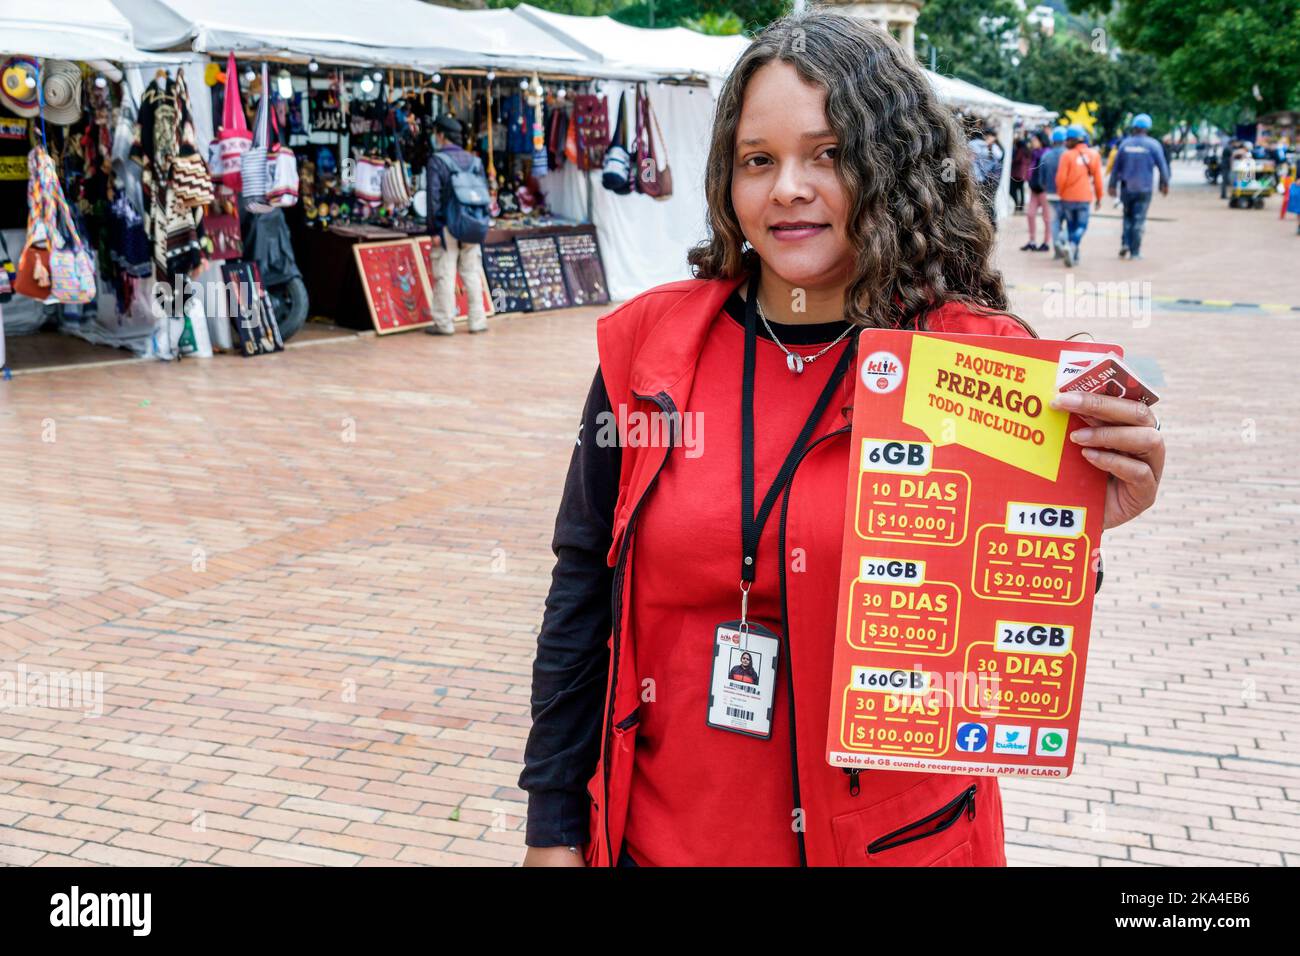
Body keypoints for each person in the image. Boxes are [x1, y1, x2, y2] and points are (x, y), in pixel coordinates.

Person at [519, 10, 1166, 868]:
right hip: (658, 840)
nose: (788, 187)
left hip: (891, 845)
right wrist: (554, 826)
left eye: (828, 154)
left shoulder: (975, 364)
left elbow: (1001, 636)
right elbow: (580, 592)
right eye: (758, 160)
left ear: (892, 166)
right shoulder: (651, 350)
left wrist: (1081, 519)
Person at [424, 114, 489, 334]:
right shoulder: (475, 161)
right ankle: (477, 320)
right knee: (471, 272)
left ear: (441, 135)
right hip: (472, 224)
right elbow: (484, 195)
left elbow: (433, 197)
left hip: (448, 226)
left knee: (445, 273)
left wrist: (433, 229)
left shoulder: (437, 161)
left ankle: (444, 323)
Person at [1108, 113, 1171, 260]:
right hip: (1144, 189)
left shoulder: (1125, 144)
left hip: (1126, 188)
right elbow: (1163, 167)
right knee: (1139, 219)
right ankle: (1135, 252)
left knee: (1127, 217)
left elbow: (1116, 168)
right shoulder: (1153, 145)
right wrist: (1165, 184)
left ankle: (1125, 243)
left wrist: (1112, 185)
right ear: (1147, 128)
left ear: (1134, 128)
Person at [1055, 125, 1105, 267]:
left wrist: (1062, 193)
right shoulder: (1094, 155)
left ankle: (1072, 250)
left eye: (1068, 140)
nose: (1065, 143)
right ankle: (1073, 246)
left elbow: (1060, 179)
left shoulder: (1066, 155)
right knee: (1082, 226)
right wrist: (1099, 197)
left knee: (1071, 226)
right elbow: (1098, 180)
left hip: (1068, 198)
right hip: (1084, 198)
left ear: (1073, 140)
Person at [1034, 126, 1070, 258]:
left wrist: (1046, 188)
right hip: (1066, 195)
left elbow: (1041, 179)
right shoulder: (1069, 155)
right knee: (1069, 221)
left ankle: (1056, 247)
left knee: (1054, 222)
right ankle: (1062, 239)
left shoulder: (1046, 155)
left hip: (1050, 194)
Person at [968, 125, 1004, 229]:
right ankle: (984, 222)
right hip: (980, 177)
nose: (988, 138)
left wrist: (990, 145)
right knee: (983, 200)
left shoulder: (995, 147)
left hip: (991, 178)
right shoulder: (977, 145)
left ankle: (991, 223)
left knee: (989, 200)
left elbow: (999, 155)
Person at [1021, 130, 1052, 252]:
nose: (1032, 142)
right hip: (1034, 188)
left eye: (1035, 140)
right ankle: (1032, 241)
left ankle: (1046, 242)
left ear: (1041, 141)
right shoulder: (1034, 153)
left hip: (1044, 189)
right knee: (1030, 214)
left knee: (1047, 217)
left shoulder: (1048, 154)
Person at [1010, 134, 1030, 213]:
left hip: (1017, 174)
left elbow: (1016, 159)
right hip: (1023, 174)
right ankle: (1020, 205)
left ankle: (1017, 203)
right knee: (1020, 190)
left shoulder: (1020, 150)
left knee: (1012, 190)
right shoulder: (1027, 151)